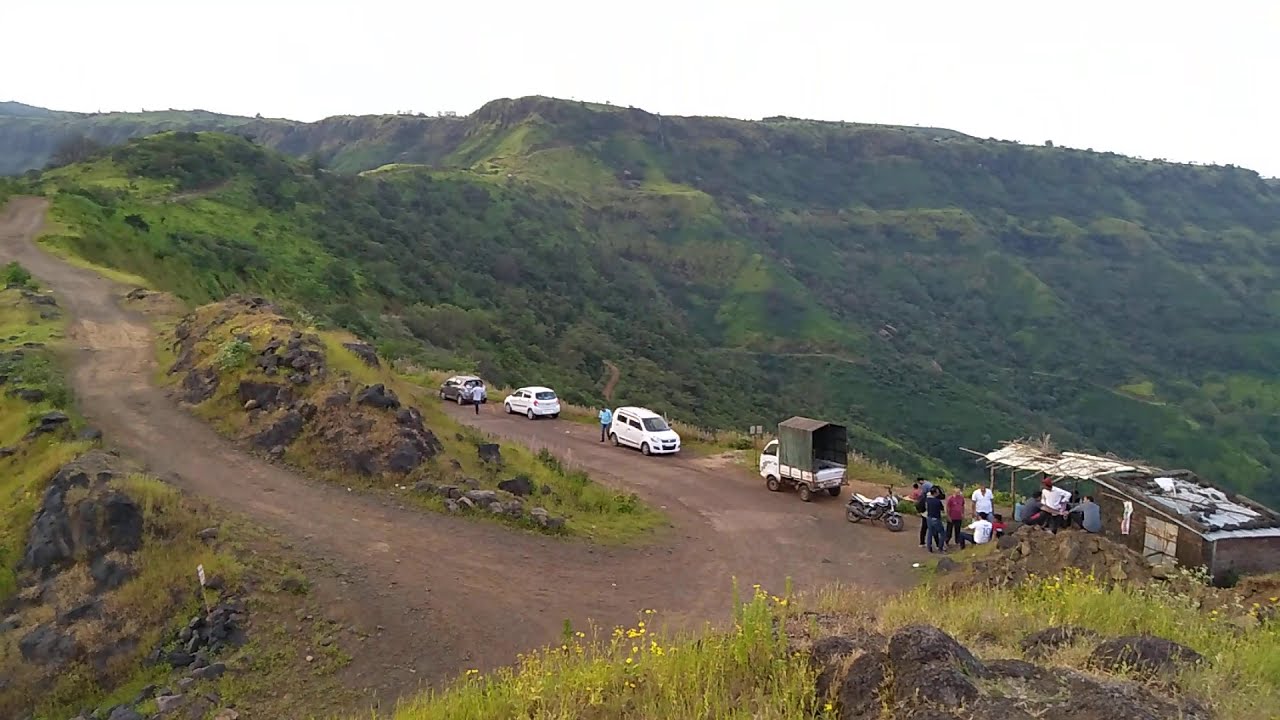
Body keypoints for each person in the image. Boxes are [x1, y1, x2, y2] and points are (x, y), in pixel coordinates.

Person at [925, 487, 946, 553]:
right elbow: (942, 510)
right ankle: (940, 548)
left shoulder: (928, 500)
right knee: (942, 533)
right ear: (935, 493)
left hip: (929, 518)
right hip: (936, 519)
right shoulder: (937, 501)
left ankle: (929, 547)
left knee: (930, 533)